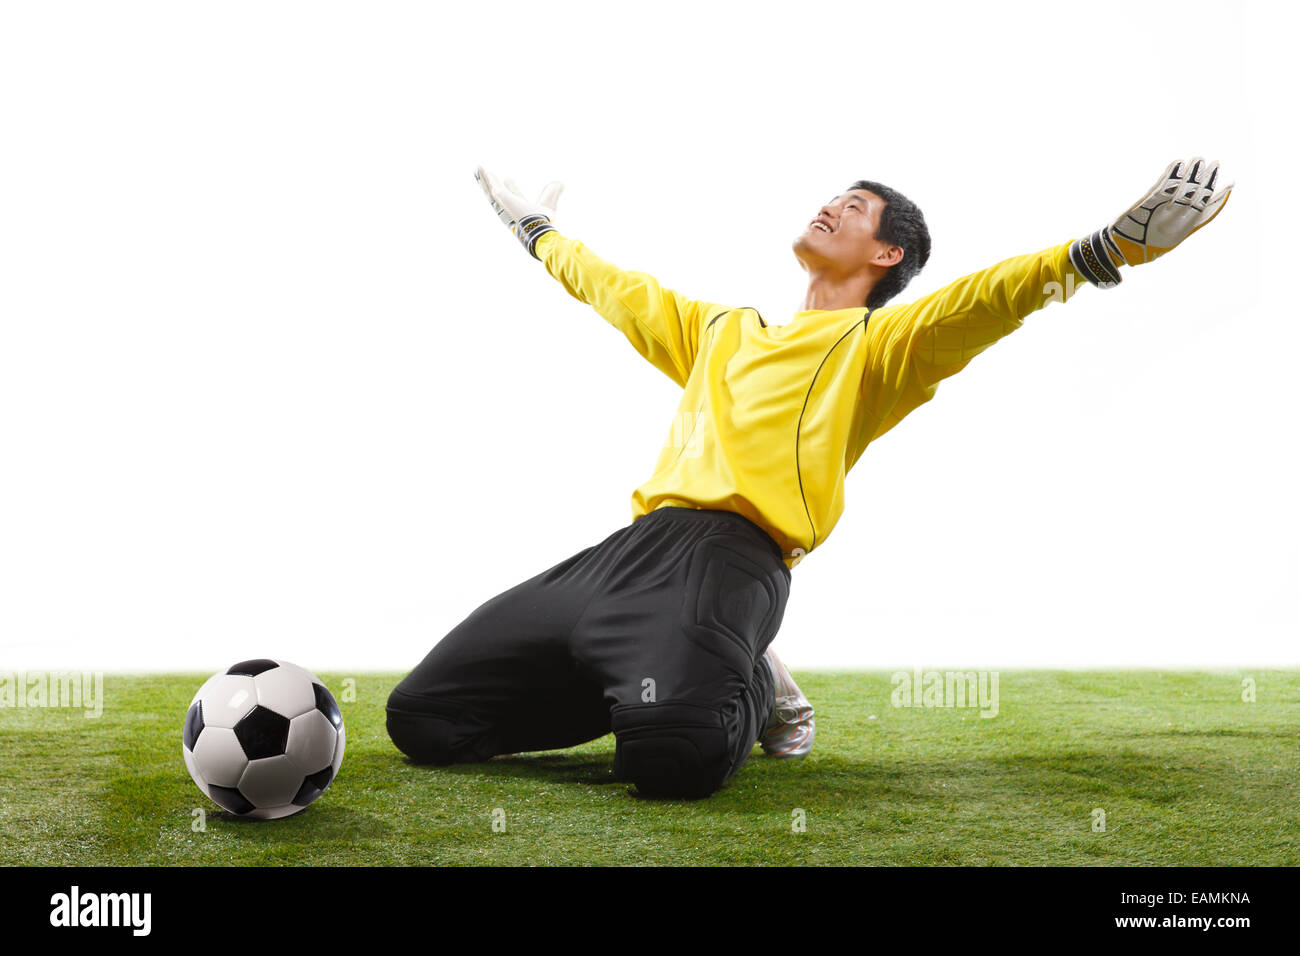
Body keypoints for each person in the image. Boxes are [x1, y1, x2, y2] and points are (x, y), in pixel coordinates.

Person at [385, 158, 1231, 799]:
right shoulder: (721, 331)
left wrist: (1103, 250)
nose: (830, 206)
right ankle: (672, 670)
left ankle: (748, 679)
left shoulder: (880, 349)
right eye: (833, 198)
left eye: (854, 208)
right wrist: (537, 233)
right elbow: (616, 292)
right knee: (422, 720)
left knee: (673, 762)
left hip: (730, 563)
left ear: (887, 252)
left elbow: (987, 299)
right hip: (626, 555)